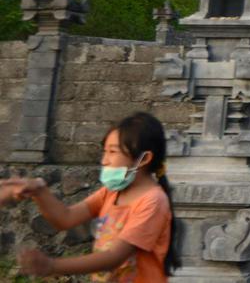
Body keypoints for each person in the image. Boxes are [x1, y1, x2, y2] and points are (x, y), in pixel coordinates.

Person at [14, 112, 179, 281]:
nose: (104, 160)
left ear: (144, 158)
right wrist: (40, 192)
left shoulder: (153, 201)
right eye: (105, 151)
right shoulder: (110, 192)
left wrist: (51, 266)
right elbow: (66, 218)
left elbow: (114, 257)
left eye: (112, 151)